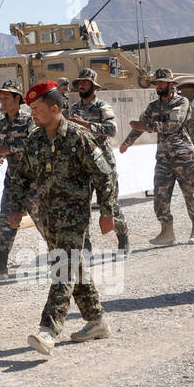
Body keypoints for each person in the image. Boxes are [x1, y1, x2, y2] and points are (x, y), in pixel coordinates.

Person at [8, 82, 116, 356]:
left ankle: (48, 330)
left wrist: (106, 211)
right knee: (74, 265)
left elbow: (103, 175)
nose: (33, 114)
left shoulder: (78, 137)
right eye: (31, 109)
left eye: (37, 109)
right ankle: (96, 320)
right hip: (48, 217)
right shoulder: (35, 140)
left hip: (74, 216)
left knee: (64, 267)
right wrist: (16, 208)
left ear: (55, 109)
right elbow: (21, 177)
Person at [119, 67, 194, 245]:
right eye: (157, 83)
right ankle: (167, 232)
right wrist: (127, 143)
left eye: (162, 83)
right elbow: (139, 125)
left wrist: (146, 127)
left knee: (191, 194)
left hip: (183, 156)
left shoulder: (181, 102)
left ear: (171, 85)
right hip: (164, 158)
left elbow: (173, 125)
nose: (159, 86)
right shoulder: (153, 106)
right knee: (160, 196)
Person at [66, 68, 131, 253]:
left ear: (94, 86)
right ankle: (85, 247)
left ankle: (123, 237)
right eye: (80, 83)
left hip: (103, 162)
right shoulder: (74, 108)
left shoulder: (102, 106)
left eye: (86, 82)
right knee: (81, 206)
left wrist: (86, 125)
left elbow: (112, 129)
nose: (82, 85)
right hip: (82, 162)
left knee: (109, 204)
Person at [0, 81, 39, 277]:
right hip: (13, 181)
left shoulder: (29, 120)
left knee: (44, 223)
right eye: (1, 98)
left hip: (34, 182)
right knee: (6, 221)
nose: (2, 101)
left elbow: (35, 143)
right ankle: (0, 263)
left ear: (17, 99)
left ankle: (64, 261)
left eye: (7, 97)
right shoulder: (1, 124)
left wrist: (10, 148)